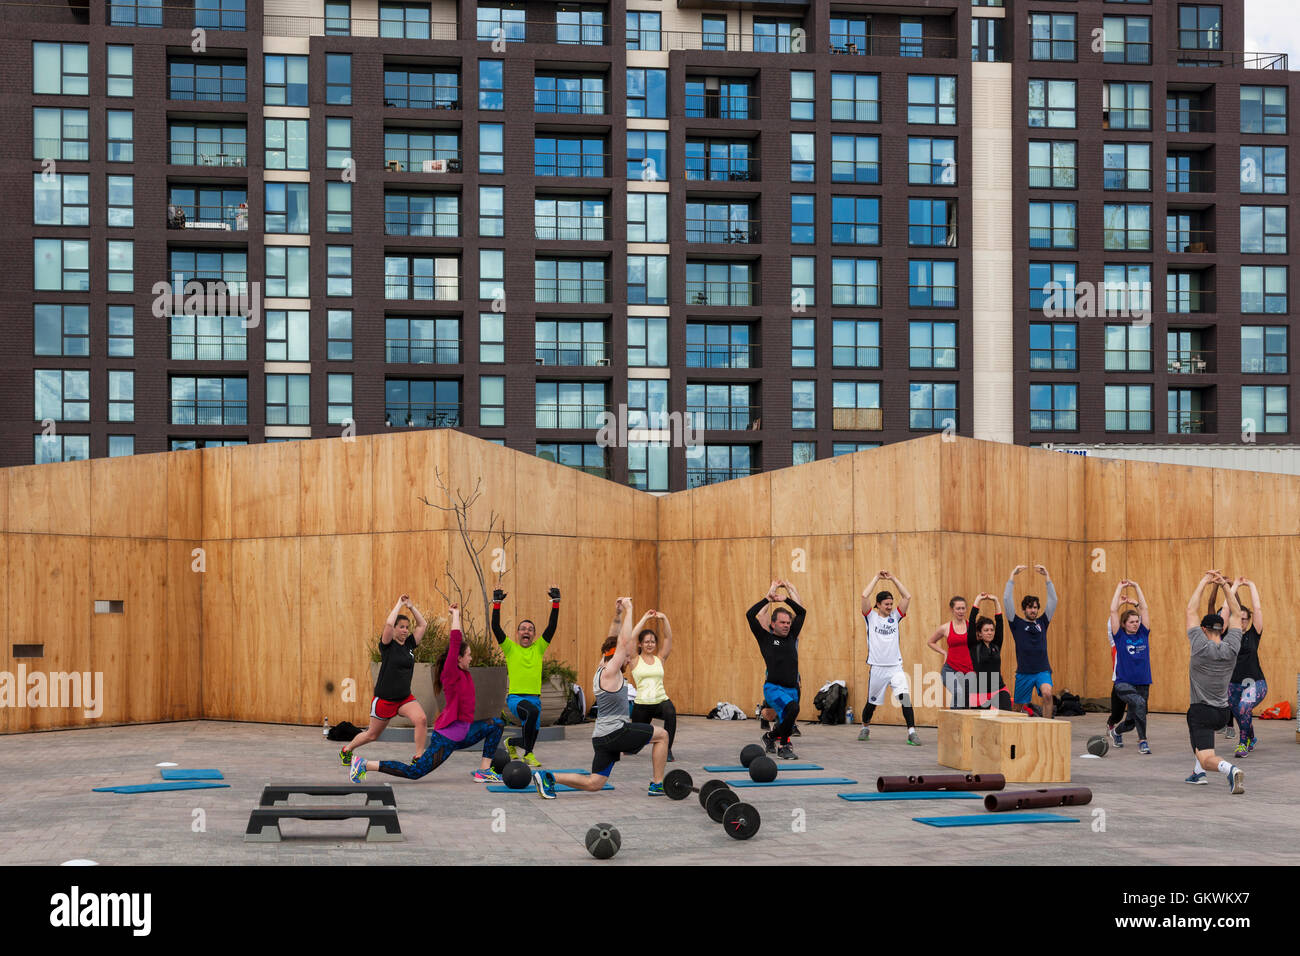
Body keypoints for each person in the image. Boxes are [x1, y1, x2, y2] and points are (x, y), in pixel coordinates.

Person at [350, 603, 505, 783]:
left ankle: (484, 771)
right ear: (458, 658)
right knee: (415, 772)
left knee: (496, 724)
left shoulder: (465, 673)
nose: (471, 658)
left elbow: (424, 626)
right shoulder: (451, 673)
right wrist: (455, 615)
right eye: (468, 655)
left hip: (464, 733)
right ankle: (364, 764)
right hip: (447, 739)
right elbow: (455, 641)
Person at [532, 598, 668, 798]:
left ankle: (549, 777)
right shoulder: (610, 672)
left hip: (601, 737)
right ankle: (657, 784)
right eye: (627, 656)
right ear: (616, 656)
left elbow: (613, 637)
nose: (629, 659)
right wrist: (630, 608)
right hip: (616, 732)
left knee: (595, 783)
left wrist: (618, 614)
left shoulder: (600, 668)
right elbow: (623, 641)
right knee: (662, 735)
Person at [341, 594, 428, 765]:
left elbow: (423, 624)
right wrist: (399, 603)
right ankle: (347, 750)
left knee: (421, 719)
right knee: (372, 735)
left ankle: (418, 757)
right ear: (395, 629)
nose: (405, 630)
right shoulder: (387, 645)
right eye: (401, 627)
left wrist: (410, 606)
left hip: (404, 698)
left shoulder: (410, 645)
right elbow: (388, 623)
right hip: (384, 700)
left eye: (406, 627)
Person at [1181, 572, 1245, 793]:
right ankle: (1198, 773)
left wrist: (1204, 580)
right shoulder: (1232, 647)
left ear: (1203, 630)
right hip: (1223, 713)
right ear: (1222, 629)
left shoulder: (1199, 645)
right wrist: (1226, 587)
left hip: (1202, 711)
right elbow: (1236, 614)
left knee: (1207, 756)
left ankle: (1229, 769)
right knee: (1199, 742)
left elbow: (1191, 610)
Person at [492, 585, 560, 768]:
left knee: (530, 734)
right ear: (517, 633)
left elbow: (552, 627)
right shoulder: (510, 648)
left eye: (530, 629)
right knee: (532, 713)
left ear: (534, 635)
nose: (526, 631)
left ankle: (511, 744)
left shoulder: (539, 648)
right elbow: (495, 627)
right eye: (523, 629)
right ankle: (529, 755)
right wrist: (496, 604)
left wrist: (556, 603)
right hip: (516, 698)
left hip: (535, 699)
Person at [746, 580, 807, 759]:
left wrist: (785, 598)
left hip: (792, 687)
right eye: (782, 623)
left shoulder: (792, 636)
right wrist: (768, 598)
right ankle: (783, 747)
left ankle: (770, 737)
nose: (787, 625)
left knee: (789, 715)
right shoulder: (765, 638)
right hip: (774, 688)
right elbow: (750, 615)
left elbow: (802, 612)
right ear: (773, 624)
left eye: (788, 622)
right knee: (792, 709)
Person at [857, 571, 920, 745]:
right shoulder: (871, 617)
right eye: (886, 604)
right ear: (878, 604)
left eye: (891, 604)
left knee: (904, 697)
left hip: (895, 667)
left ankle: (912, 732)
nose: (890, 607)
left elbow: (907, 596)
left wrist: (893, 579)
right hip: (877, 668)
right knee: (871, 703)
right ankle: (865, 727)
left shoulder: (896, 617)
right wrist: (876, 578)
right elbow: (864, 595)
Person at [1217, 578, 1268, 757]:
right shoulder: (1226, 635)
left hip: (1256, 683)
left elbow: (1258, 608)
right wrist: (1233, 587)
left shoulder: (1254, 634)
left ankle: (1243, 743)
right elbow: (1224, 611)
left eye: (1245, 619)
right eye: (1239, 618)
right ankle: (1251, 737)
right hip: (1233, 684)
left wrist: (1251, 585)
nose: (1242, 622)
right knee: (1239, 713)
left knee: (1245, 706)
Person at [1004, 564, 1057, 718]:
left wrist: (1047, 577)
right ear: (1024, 610)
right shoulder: (1016, 623)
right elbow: (1007, 599)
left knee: (1047, 694)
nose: (1033, 610)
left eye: (1035, 607)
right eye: (1029, 607)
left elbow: (1053, 600)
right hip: (1024, 673)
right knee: (1017, 708)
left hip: (1042, 670)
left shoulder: (1043, 622)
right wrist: (1012, 577)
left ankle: (1047, 728)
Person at [1106, 579, 1153, 754]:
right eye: (1131, 622)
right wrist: (1119, 588)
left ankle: (1116, 732)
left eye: (1136, 621)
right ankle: (1143, 741)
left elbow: (1145, 609)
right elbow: (1112, 611)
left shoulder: (1143, 633)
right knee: (1139, 702)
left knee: (1133, 720)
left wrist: (1137, 587)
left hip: (1143, 682)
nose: (1135, 623)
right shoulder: (1119, 636)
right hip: (1124, 683)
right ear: (1124, 624)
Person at [629, 610, 678, 762]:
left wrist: (664, 618)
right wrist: (644, 618)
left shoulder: (660, 659)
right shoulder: (634, 660)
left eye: (652, 642)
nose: (650, 644)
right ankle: (631, 744)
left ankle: (667, 749)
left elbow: (668, 637)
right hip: (642, 705)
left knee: (670, 712)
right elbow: (631, 638)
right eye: (646, 641)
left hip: (660, 701)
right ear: (640, 644)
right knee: (632, 748)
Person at [966, 592, 1011, 710]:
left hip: (999, 689)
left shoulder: (996, 645)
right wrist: (977, 601)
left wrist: (996, 601)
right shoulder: (974, 646)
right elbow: (971, 622)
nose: (990, 632)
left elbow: (1000, 623)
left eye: (991, 630)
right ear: (979, 633)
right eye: (986, 630)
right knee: (982, 726)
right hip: (979, 692)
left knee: (1002, 717)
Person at [927, 596, 972, 708]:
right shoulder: (945, 628)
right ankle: (953, 724)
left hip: (968, 671)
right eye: (958, 608)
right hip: (950, 669)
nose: (961, 611)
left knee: (965, 705)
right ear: (952, 610)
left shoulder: (972, 627)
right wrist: (944, 653)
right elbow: (931, 642)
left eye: (963, 608)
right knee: (958, 692)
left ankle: (956, 723)